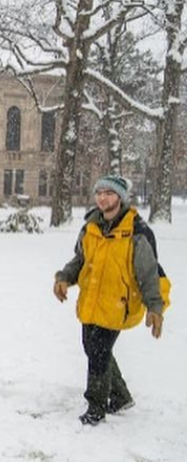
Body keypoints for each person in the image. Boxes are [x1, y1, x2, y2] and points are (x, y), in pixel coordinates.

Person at [53, 174, 170, 426]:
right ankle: (119, 395)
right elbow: (80, 260)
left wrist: (155, 307)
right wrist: (64, 278)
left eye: (109, 193)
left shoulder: (137, 232)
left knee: (98, 352)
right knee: (93, 348)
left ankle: (96, 407)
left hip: (118, 303)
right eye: (100, 193)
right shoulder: (91, 227)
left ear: (120, 197)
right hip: (92, 299)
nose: (103, 197)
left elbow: (150, 273)